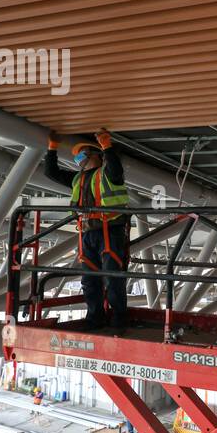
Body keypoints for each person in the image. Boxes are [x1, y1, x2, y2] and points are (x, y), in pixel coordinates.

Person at [43, 129, 130, 332]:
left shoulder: (108, 174)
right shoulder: (77, 179)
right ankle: (95, 318)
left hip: (110, 231)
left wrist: (107, 146)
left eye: (81, 154)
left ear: (94, 155)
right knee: (89, 280)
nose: (77, 158)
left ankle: (118, 320)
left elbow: (116, 169)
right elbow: (51, 172)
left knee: (113, 277)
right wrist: (52, 148)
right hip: (88, 233)